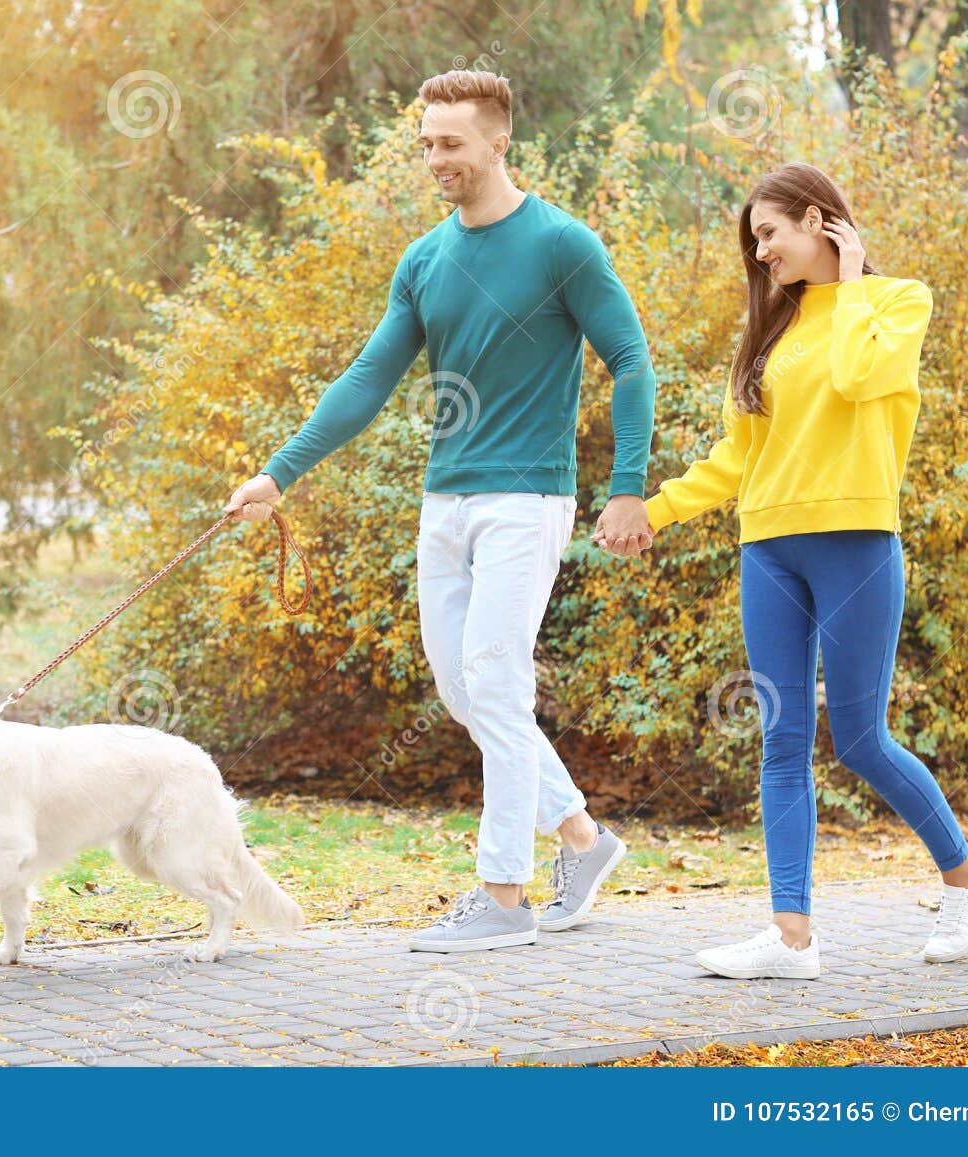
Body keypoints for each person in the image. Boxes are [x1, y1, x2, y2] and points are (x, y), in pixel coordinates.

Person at [226, 70, 656, 952]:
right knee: (467, 692)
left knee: (496, 683)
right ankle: (581, 838)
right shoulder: (425, 260)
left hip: (527, 498)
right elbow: (368, 380)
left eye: (450, 143)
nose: (435, 160)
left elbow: (632, 360)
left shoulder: (563, 245)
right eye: (426, 144)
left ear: (500, 140)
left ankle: (503, 896)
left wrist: (628, 487)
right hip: (445, 501)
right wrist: (280, 474)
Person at [609, 161, 968, 979]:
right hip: (769, 547)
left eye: (770, 234)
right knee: (781, 738)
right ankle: (791, 937)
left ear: (821, 221)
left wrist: (853, 278)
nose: (759, 254)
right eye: (753, 240)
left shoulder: (898, 301)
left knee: (861, 740)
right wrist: (656, 509)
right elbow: (736, 455)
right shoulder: (767, 333)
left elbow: (861, 377)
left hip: (856, 541)